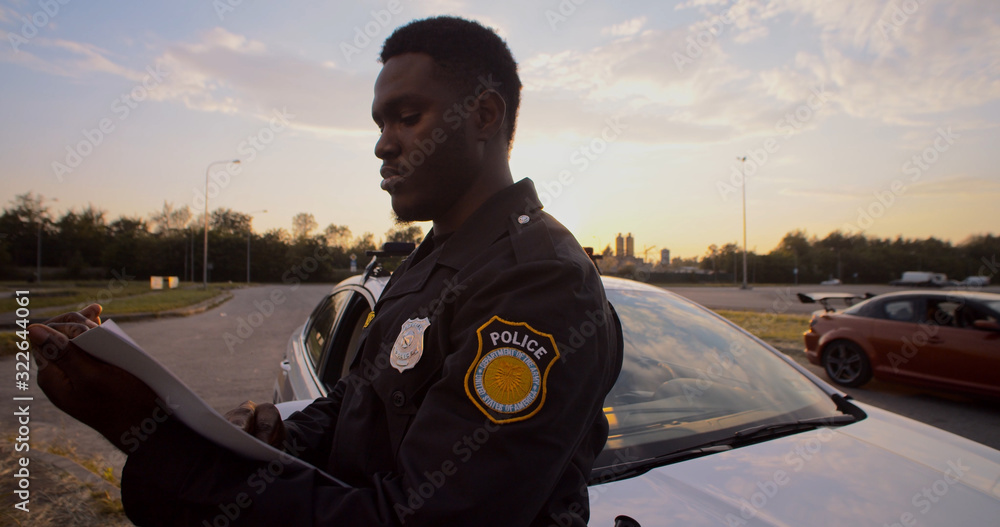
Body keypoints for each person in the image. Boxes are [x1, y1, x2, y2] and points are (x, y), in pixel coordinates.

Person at [28, 16, 623, 526]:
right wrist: (281, 436)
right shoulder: (434, 256)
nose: (382, 145)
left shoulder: (537, 282)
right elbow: (358, 400)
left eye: (407, 117)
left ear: (485, 115)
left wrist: (150, 435)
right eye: (378, 124)